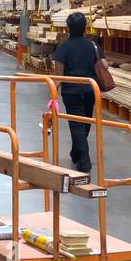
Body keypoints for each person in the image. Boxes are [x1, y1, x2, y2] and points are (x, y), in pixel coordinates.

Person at [52, 12, 107, 175]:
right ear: (85, 28)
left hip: (72, 91)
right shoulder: (93, 45)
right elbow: (105, 64)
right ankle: (76, 153)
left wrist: (53, 94)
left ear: (68, 28)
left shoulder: (63, 47)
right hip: (91, 90)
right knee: (85, 123)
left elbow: (58, 75)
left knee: (77, 125)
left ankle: (84, 161)